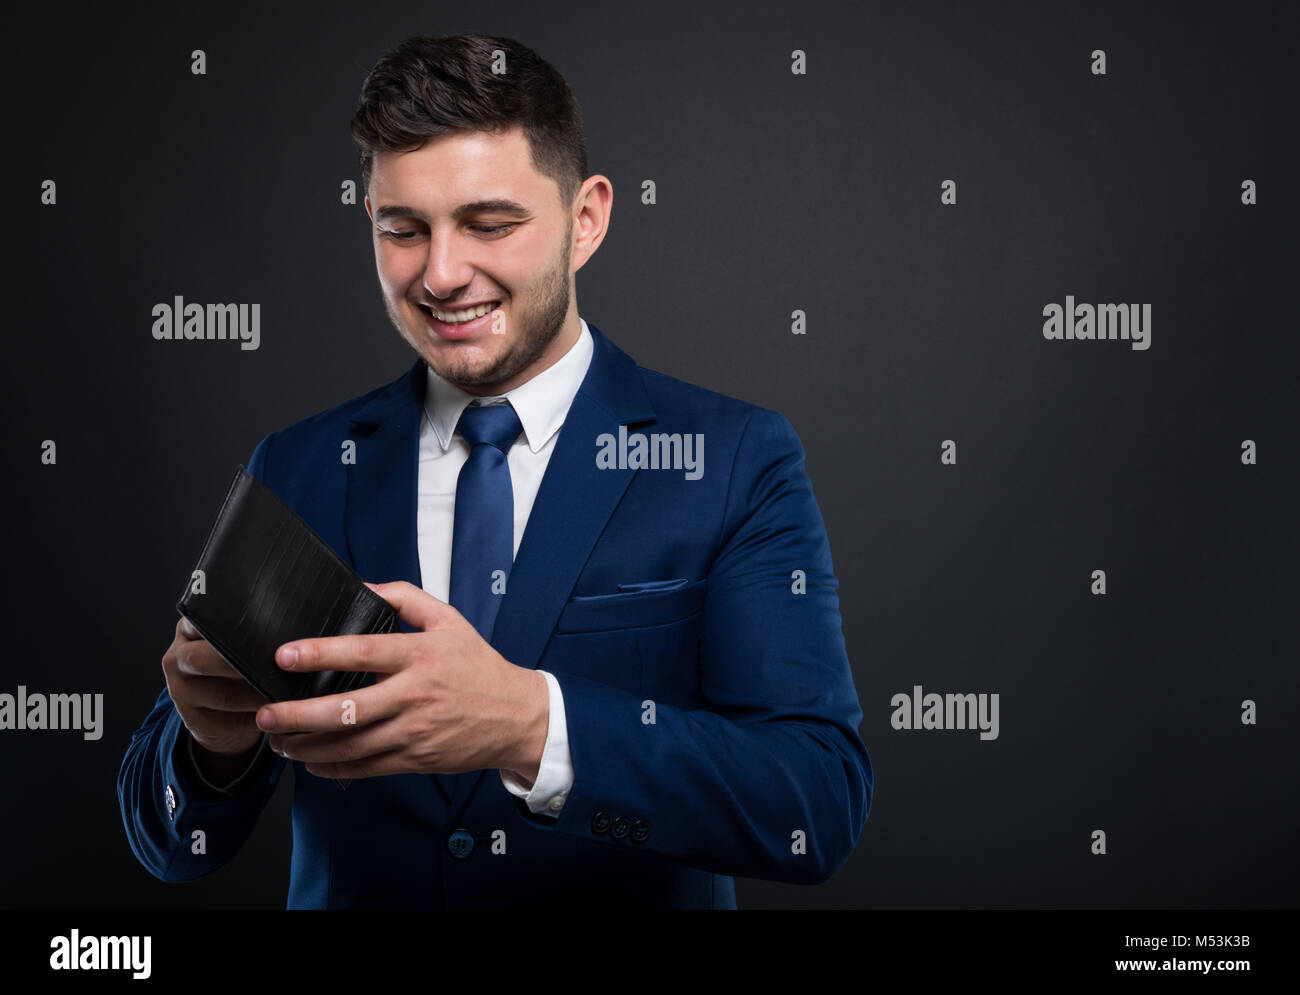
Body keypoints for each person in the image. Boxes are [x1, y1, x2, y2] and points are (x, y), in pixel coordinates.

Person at [118, 33, 873, 908]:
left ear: (586, 218)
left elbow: (814, 801)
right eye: (404, 229)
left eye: (490, 224)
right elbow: (174, 845)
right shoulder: (298, 464)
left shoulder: (736, 460)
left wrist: (529, 723)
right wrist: (211, 747)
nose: (441, 274)